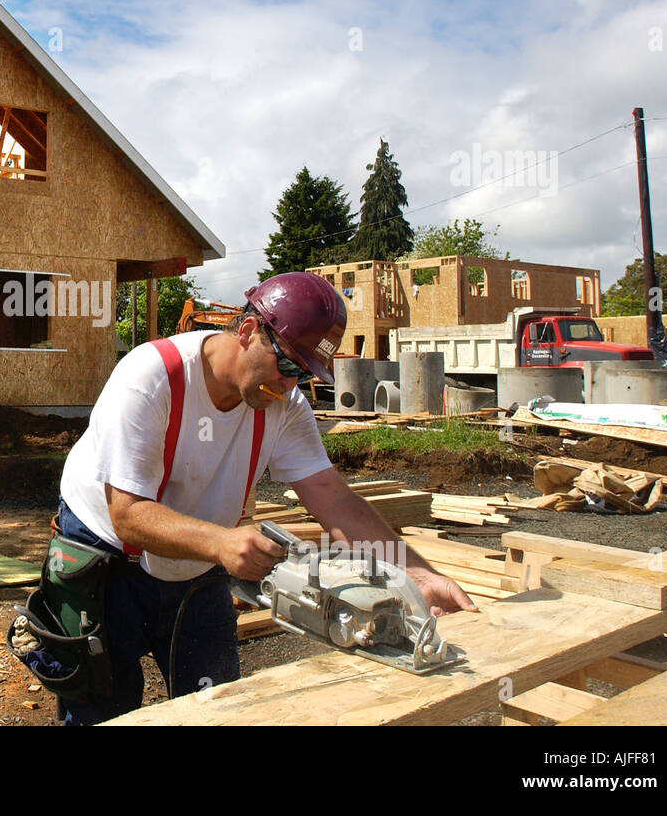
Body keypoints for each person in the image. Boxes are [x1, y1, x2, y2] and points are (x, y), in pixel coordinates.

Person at [52, 272, 476, 724]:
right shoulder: (152, 377)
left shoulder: (283, 405)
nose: (291, 384)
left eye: (304, 373)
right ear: (250, 331)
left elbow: (332, 498)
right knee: (101, 712)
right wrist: (220, 544)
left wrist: (415, 574)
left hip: (200, 557)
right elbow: (129, 516)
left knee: (222, 711)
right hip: (106, 557)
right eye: (289, 365)